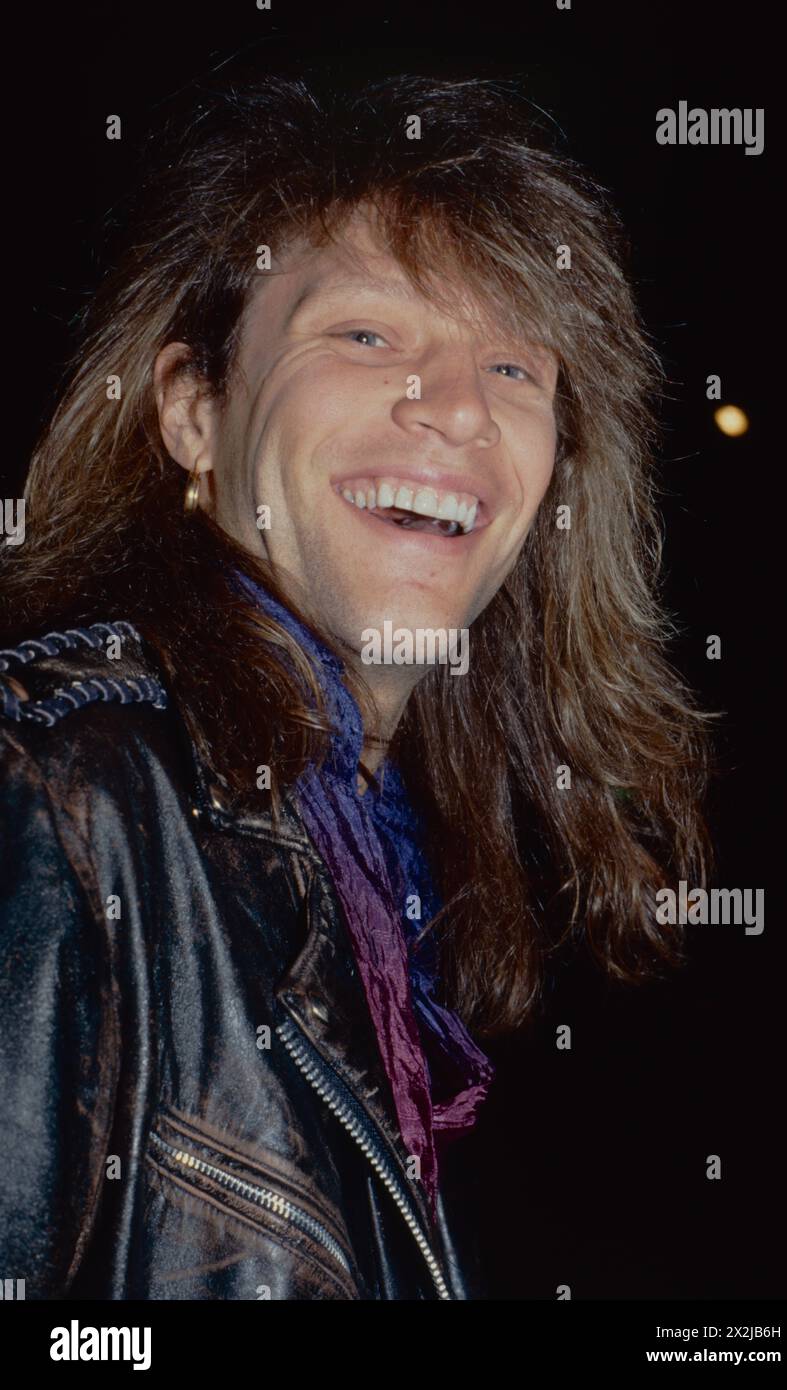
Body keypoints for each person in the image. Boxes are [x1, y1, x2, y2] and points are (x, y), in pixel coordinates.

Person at [0, 70, 714, 1300]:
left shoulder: (389, 905)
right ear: (192, 411)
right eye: (366, 333)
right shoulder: (64, 791)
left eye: (514, 368)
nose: (451, 411)